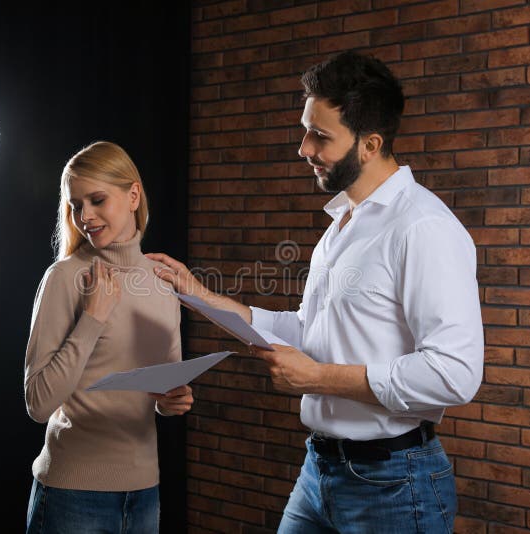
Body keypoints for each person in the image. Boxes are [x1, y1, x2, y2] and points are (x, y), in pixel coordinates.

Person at [147, 51, 484, 533]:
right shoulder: (341, 225)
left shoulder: (423, 227)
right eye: (306, 129)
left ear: (370, 144)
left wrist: (319, 378)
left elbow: (456, 373)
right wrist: (196, 293)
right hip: (319, 472)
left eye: (320, 136)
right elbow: (307, 330)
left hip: (395, 485)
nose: (304, 148)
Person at [23, 141, 194, 534]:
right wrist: (93, 319)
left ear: (134, 194)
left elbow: (157, 394)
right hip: (71, 494)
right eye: (76, 205)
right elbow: (38, 402)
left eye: (97, 200)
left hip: (144, 493)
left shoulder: (163, 281)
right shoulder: (65, 278)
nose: (85, 216)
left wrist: (171, 401)